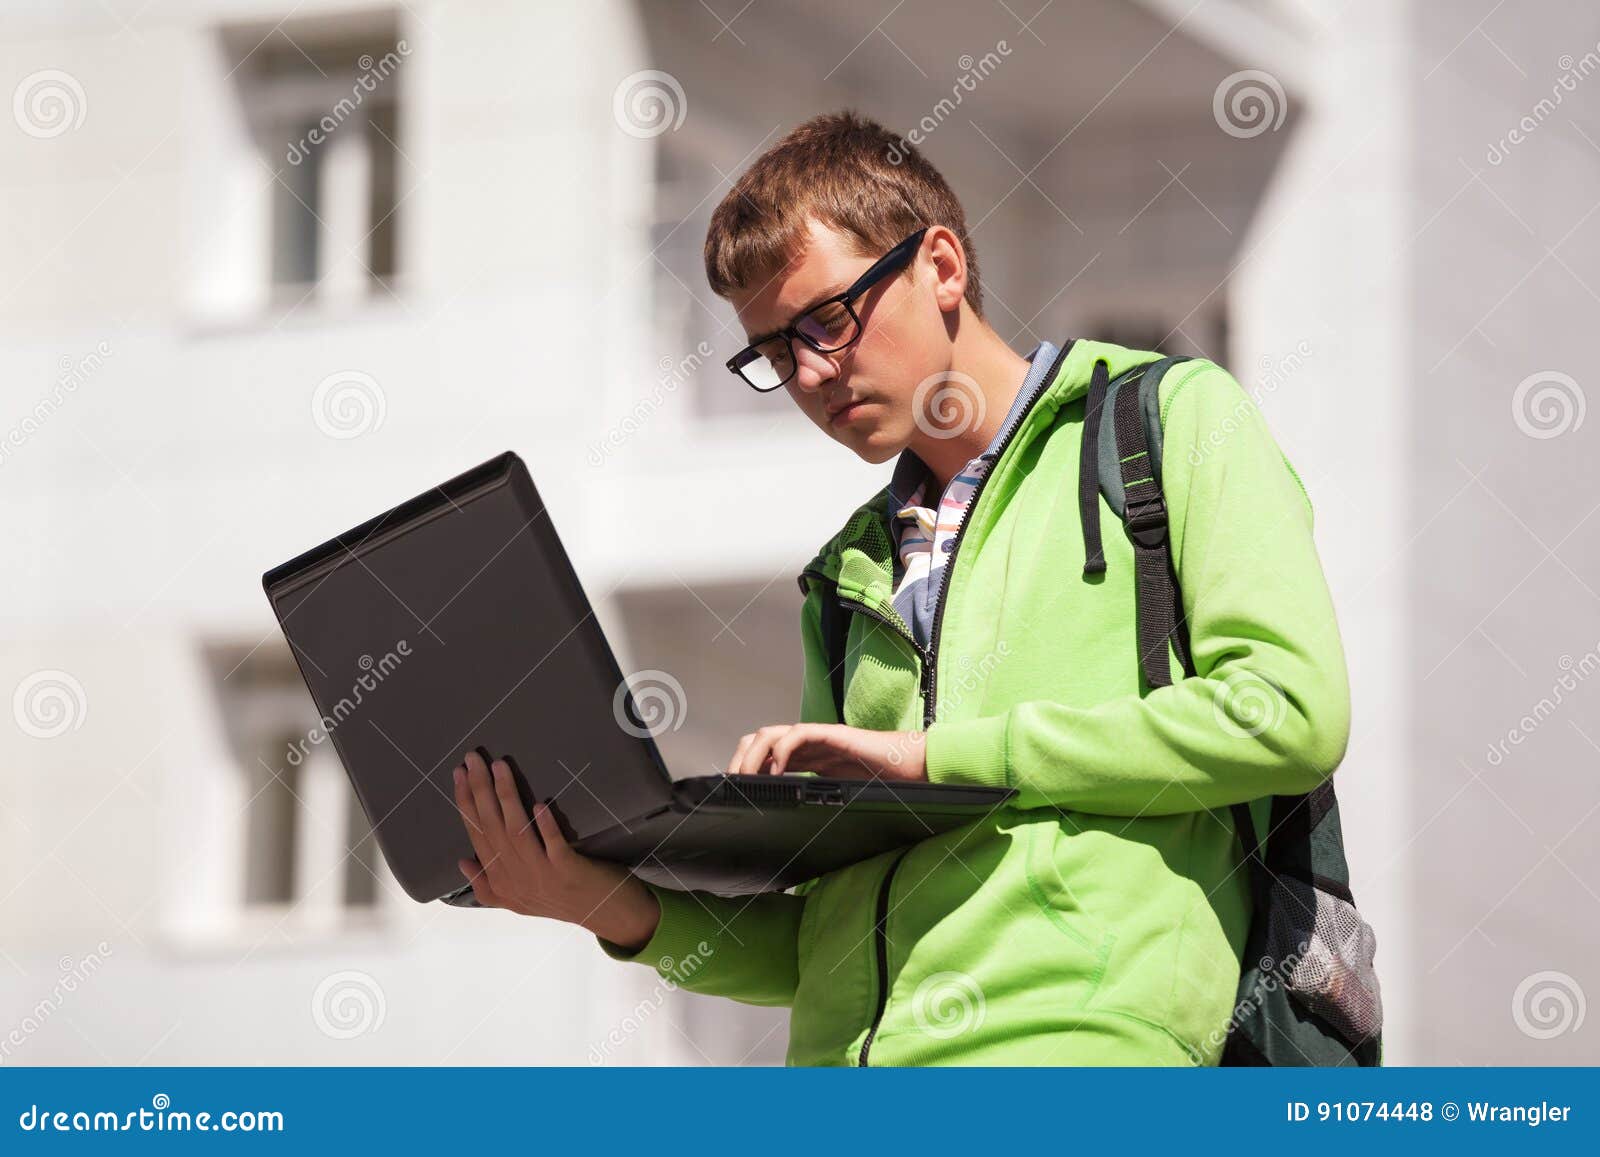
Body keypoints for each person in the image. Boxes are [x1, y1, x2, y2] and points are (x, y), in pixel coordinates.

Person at [449, 110, 1351, 1066]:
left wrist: (937, 759)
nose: (809, 373)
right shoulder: (845, 579)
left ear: (943, 268)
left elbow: (1288, 714)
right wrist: (594, 898)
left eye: (827, 318)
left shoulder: (1165, 421)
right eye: (772, 351)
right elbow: (827, 943)